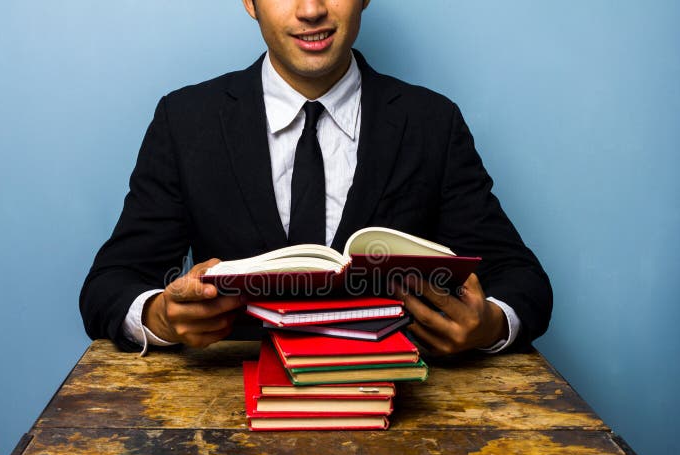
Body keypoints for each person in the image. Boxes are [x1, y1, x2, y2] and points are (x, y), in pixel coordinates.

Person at [80, 0, 552, 356]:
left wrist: (490, 325)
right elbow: (109, 284)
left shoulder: (432, 122)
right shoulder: (185, 121)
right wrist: (159, 316)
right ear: (249, 2)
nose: (311, 10)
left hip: (399, 407)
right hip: (228, 412)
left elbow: (521, 279)